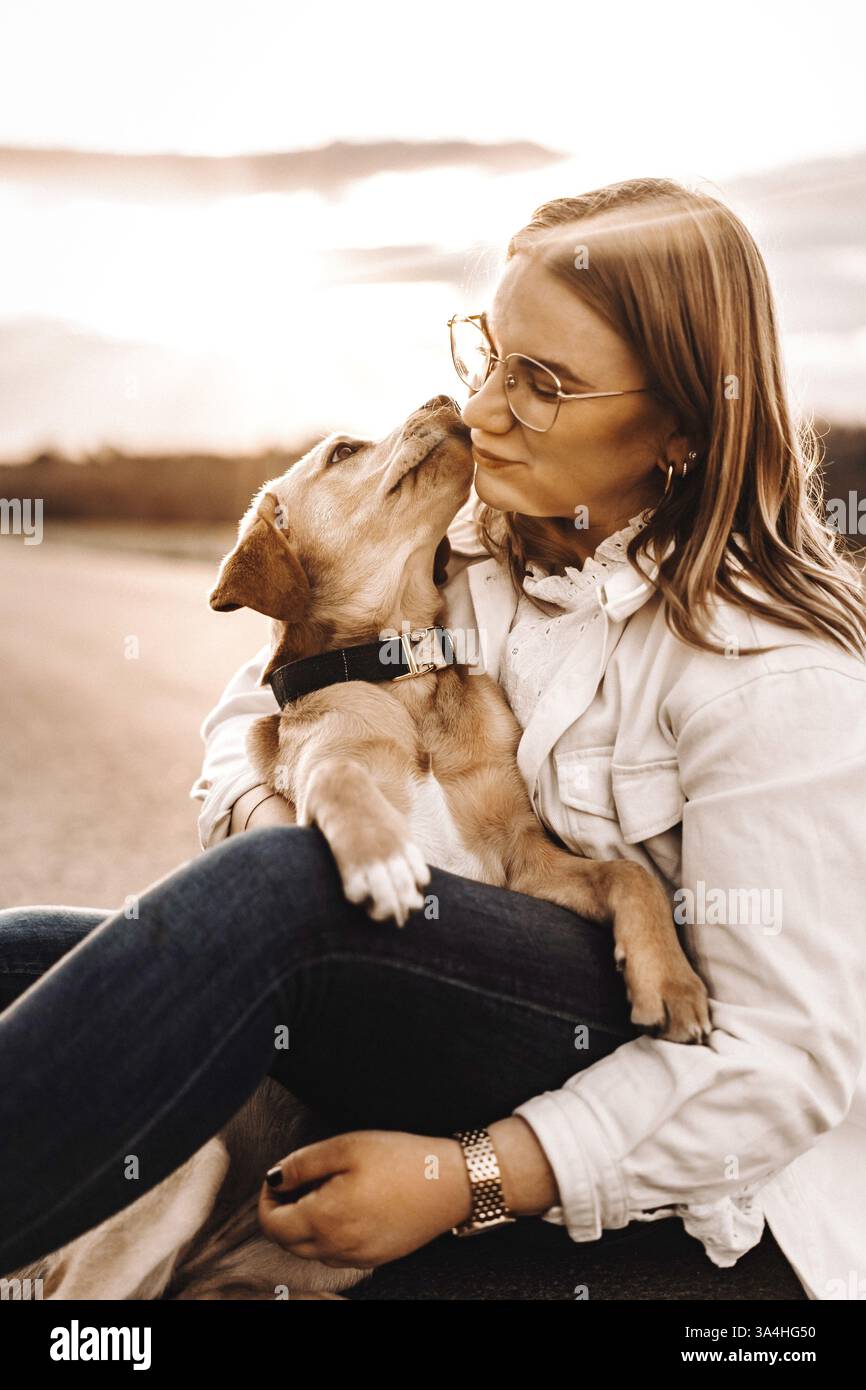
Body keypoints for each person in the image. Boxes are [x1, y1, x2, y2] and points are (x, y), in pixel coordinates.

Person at [1, 177, 864, 1300]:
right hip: (448, 1045)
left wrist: (464, 1180)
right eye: (490, 353)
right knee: (25, 955)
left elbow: (781, 1073)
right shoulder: (468, 545)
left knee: (281, 917)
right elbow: (255, 716)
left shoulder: (770, 674)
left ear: (681, 433)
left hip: (694, 1199)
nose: (483, 407)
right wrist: (282, 828)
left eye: (541, 383)